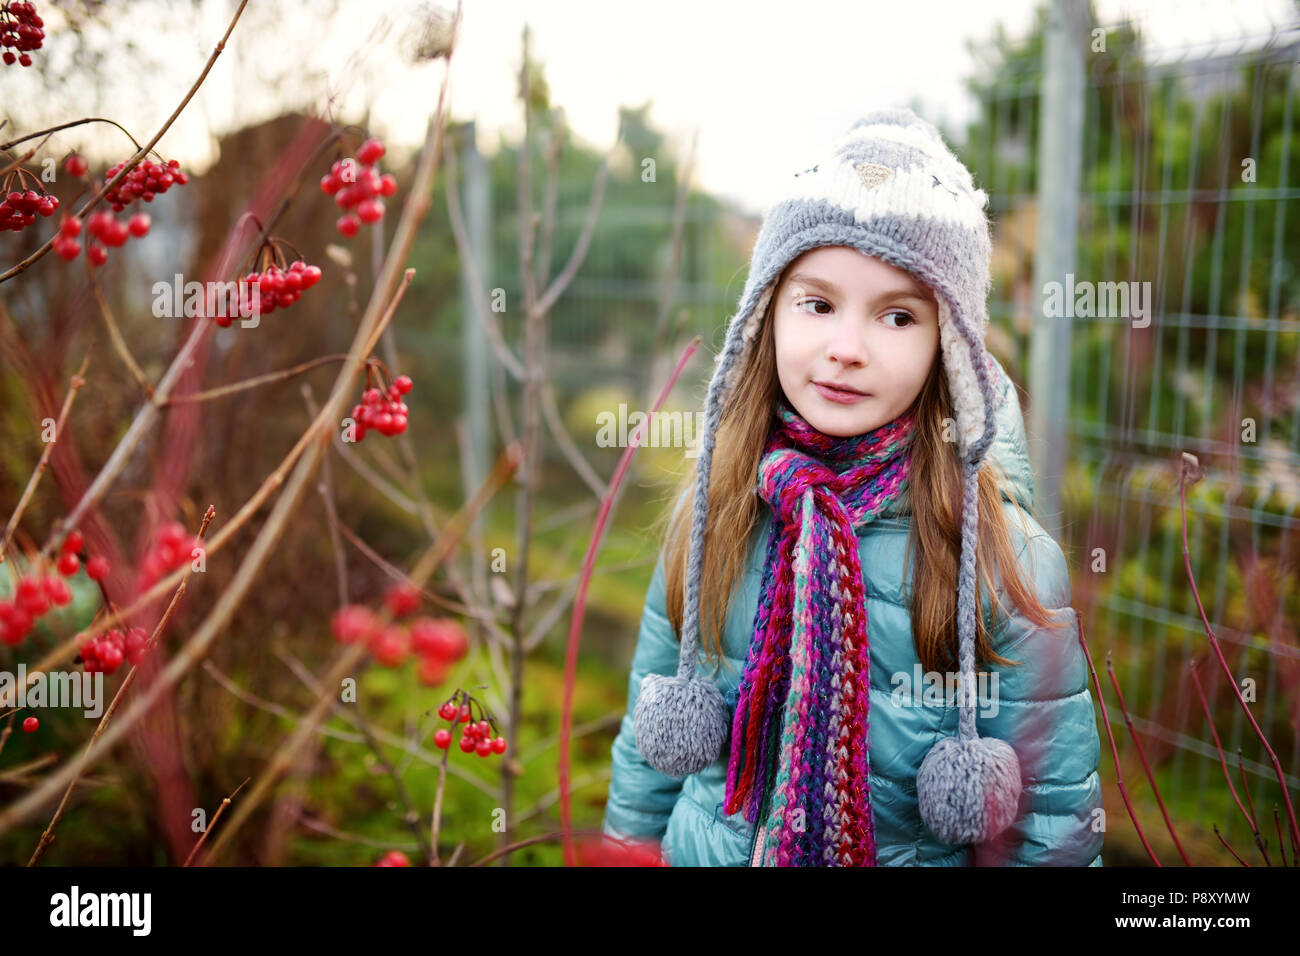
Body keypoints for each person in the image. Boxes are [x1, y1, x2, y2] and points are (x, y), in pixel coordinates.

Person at [601, 108, 1104, 867]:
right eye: (818, 303)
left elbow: (1054, 821)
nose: (846, 349)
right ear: (766, 314)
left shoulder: (1006, 562)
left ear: (949, 347)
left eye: (897, 315)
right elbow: (648, 751)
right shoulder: (716, 518)